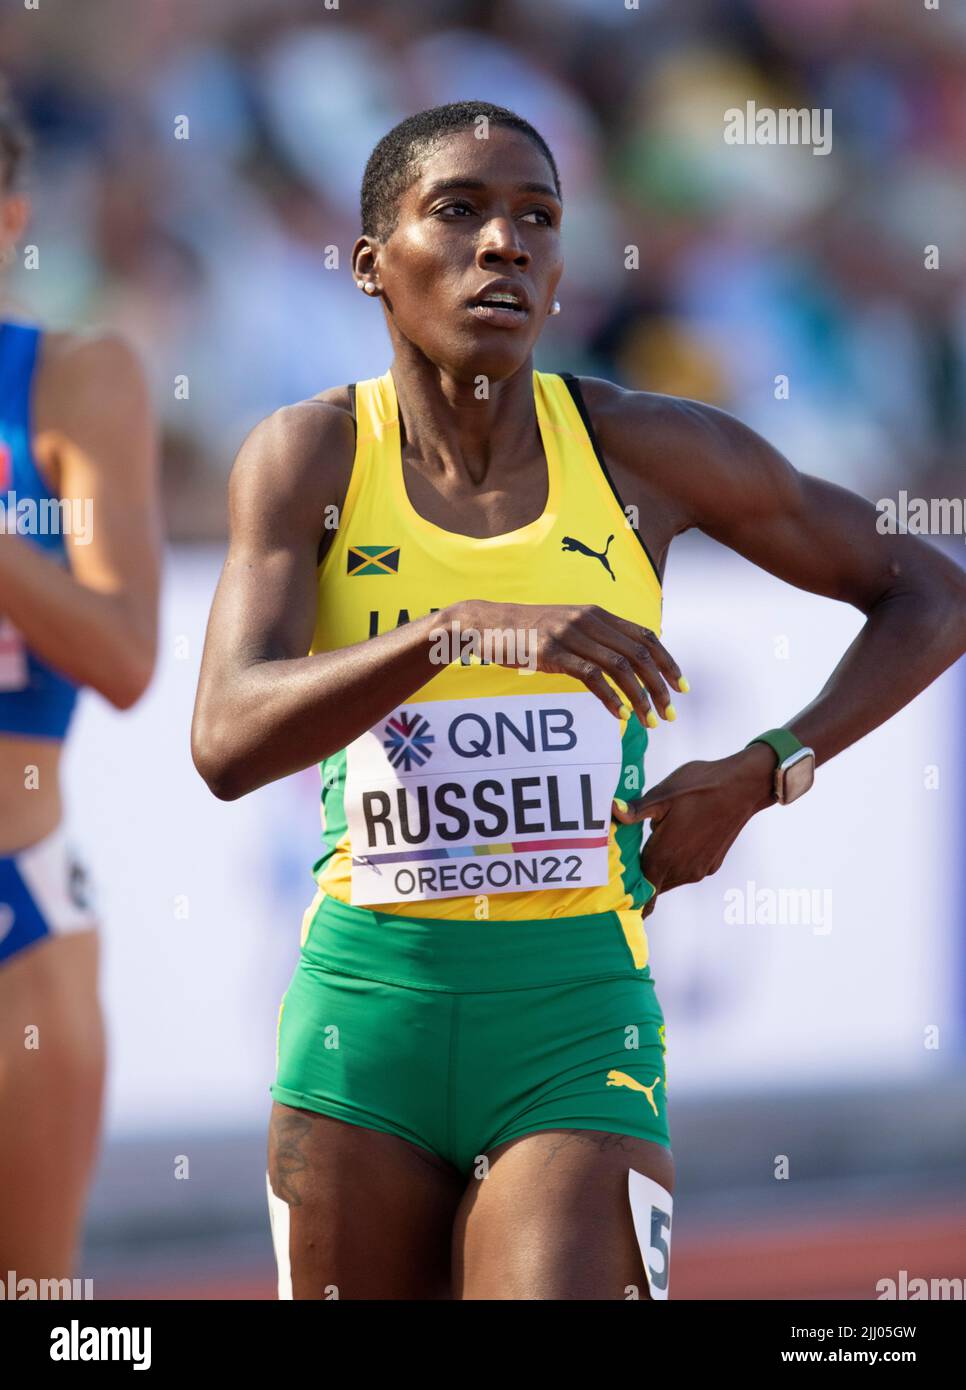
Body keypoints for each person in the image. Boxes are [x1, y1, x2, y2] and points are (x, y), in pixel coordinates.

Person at [191, 101, 966, 1300]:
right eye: (458, 211)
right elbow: (226, 741)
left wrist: (769, 769)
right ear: (369, 265)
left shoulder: (648, 452)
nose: (504, 243)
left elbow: (931, 591)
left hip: (574, 1019)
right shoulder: (312, 458)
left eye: (538, 219)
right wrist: (455, 633)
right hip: (360, 1022)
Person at [0, 81, 160, 1282]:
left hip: (21, 914)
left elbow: (124, 656)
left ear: (12, 218)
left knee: (41, 1302)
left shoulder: (74, 380)